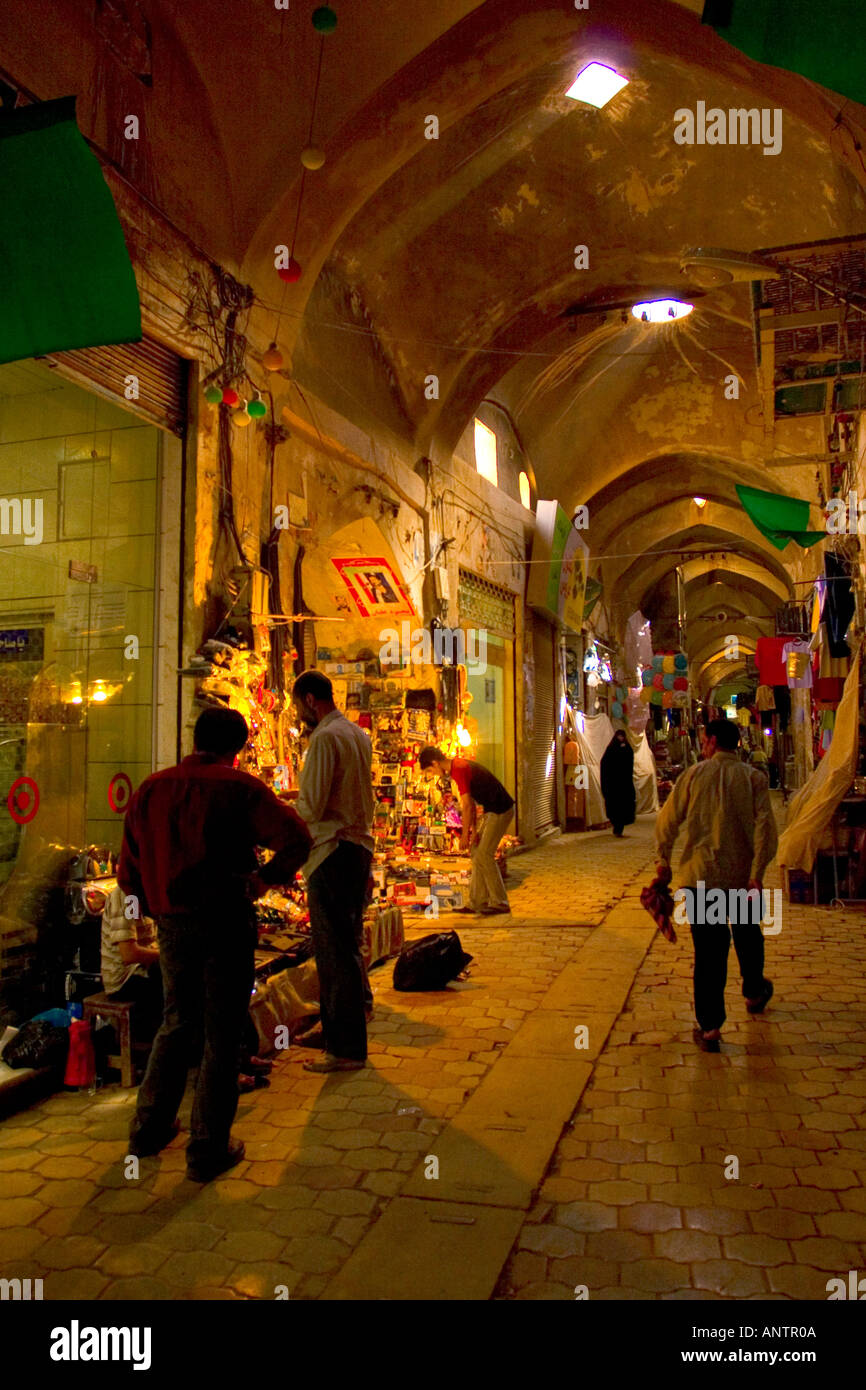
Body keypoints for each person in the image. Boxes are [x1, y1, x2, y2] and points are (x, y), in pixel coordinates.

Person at [118, 707, 312, 1182]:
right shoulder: (239, 788)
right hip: (225, 920)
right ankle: (207, 1148)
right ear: (237, 748)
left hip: (174, 926)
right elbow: (297, 837)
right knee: (222, 1031)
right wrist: (264, 880)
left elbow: (128, 873)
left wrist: (156, 906)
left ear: (195, 739)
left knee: (177, 1022)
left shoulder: (151, 789)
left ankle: (148, 1130)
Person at [655, 717, 778, 1052]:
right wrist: (757, 873)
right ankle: (754, 992)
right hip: (740, 879)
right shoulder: (753, 778)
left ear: (710, 741)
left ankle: (710, 1028)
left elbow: (667, 821)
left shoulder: (694, 775)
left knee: (710, 953)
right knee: (748, 938)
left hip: (701, 879)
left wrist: (663, 861)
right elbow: (767, 829)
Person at [292, 670, 375, 1074]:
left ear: (309, 700)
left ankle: (345, 1049)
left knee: (334, 952)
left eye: (297, 706)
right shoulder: (356, 734)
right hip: (356, 848)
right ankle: (336, 1034)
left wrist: (282, 811)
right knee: (344, 946)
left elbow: (313, 806)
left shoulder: (324, 738)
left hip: (332, 852)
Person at [418, 746, 514, 916]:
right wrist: (474, 832)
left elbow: (467, 805)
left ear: (435, 763)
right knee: (476, 853)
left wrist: (464, 835)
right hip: (491, 810)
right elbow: (474, 803)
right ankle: (476, 901)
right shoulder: (458, 766)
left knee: (485, 854)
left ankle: (500, 902)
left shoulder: (459, 769)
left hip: (500, 810)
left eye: (430, 770)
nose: (433, 774)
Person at [100, 884, 162, 1038]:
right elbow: (129, 954)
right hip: (125, 977)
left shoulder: (146, 893)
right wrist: (167, 955)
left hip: (144, 968)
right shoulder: (128, 897)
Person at [600, 729, 636, 837]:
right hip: (613, 785)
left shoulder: (627, 748)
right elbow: (605, 764)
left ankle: (619, 828)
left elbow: (630, 763)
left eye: (622, 736)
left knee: (622, 807)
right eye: (619, 736)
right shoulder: (611, 749)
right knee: (614, 807)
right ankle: (616, 826)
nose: (620, 739)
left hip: (624, 785)